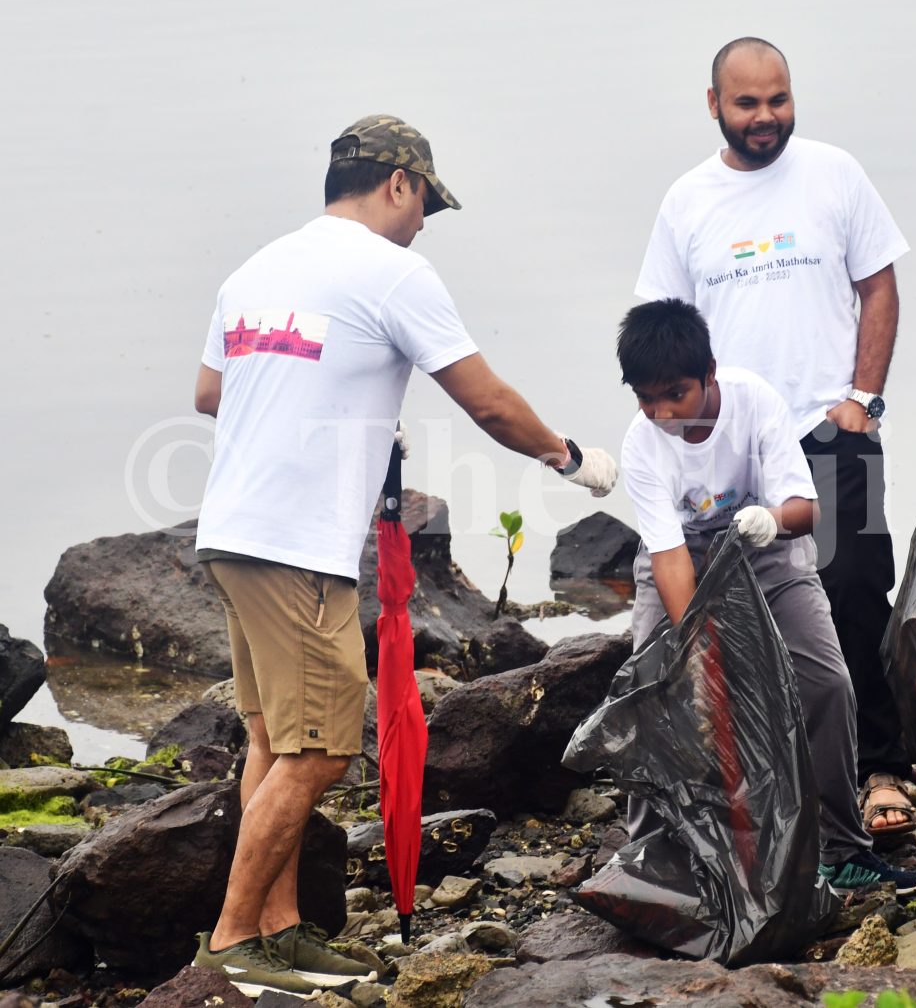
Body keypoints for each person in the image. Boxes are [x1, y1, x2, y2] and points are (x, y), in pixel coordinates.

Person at [189, 114, 617, 997]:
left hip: (231, 533)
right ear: (397, 184)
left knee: (274, 739)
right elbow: (488, 404)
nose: (424, 222)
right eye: (426, 202)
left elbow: (210, 394)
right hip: (296, 547)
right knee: (322, 752)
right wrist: (570, 458)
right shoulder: (394, 272)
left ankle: (280, 934)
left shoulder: (256, 268)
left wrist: (346, 417)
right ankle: (232, 941)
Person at [635, 37, 916, 840]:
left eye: (779, 100)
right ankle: (758, 765)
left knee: (857, 585)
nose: (766, 118)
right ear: (714, 104)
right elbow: (661, 326)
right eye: (748, 104)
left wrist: (862, 398)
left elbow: (879, 283)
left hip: (827, 425)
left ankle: (881, 766)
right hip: (728, 437)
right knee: (735, 598)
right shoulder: (688, 201)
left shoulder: (835, 173)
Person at [617, 297, 916, 895]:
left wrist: (770, 521)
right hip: (683, 555)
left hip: (767, 546)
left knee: (827, 683)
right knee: (652, 691)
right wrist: (699, 652)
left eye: (673, 395)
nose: (659, 413)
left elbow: (808, 509)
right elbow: (669, 558)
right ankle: (649, 861)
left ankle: (841, 847)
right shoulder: (643, 442)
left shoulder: (754, 399)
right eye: (644, 398)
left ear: (708, 373)